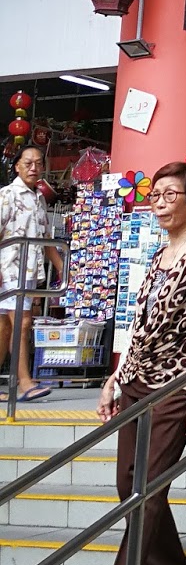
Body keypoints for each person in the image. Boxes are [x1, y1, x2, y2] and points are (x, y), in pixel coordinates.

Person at [71, 162, 186, 565]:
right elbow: (139, 326)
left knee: (146, 494)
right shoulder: (158, 258)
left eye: (170, 194)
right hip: (136, 382)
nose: (158, 201)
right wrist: (114, 378)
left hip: (177, 386)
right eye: (154, 193)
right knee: (127, 486)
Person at [0, 144, 62, 402]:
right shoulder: (7, 195)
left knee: (4, 327)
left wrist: (61, 267)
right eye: (28, 163)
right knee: (22, 323)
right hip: (8, 269)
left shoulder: (38, 197)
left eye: (39, 163)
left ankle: (21, 382)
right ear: (17, 166)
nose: (34, 168)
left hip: (28, 270)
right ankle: (24, 383)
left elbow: (45, 237)